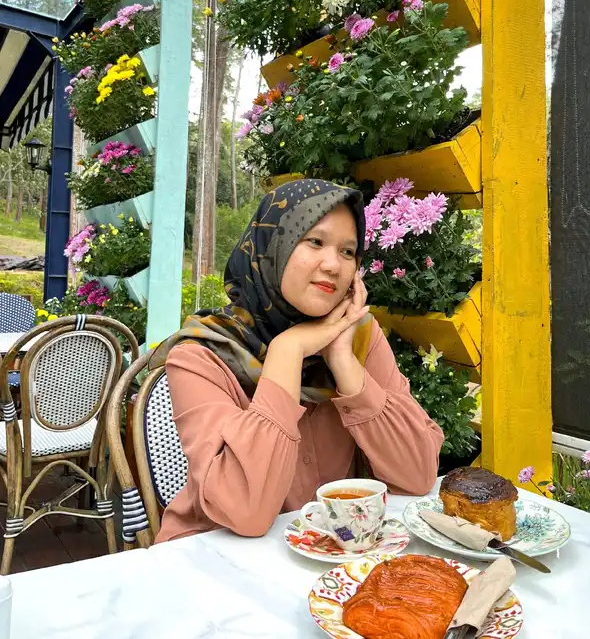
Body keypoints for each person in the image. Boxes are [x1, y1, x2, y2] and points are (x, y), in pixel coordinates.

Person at [154, 178, 444, 544]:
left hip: (334, 551)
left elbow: (417, 474)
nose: (333, 265)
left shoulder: (359, 338)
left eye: (348, 251)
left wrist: (343, 360)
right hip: (215, 557)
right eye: (315, 242)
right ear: (272, 247)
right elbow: (246, 512)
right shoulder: (202, 355)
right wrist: (288, 351)